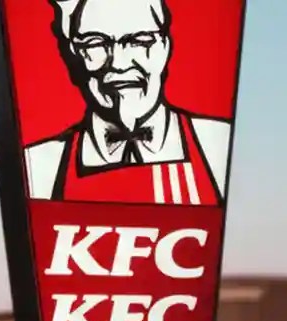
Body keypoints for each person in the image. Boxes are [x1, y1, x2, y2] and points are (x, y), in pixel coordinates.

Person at [25, 0, 233, 206]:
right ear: (75, 53)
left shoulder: (217, 144)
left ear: (164, 47)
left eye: (139, 41)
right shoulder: (39, 166)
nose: (118, 63)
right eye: (95, 43)